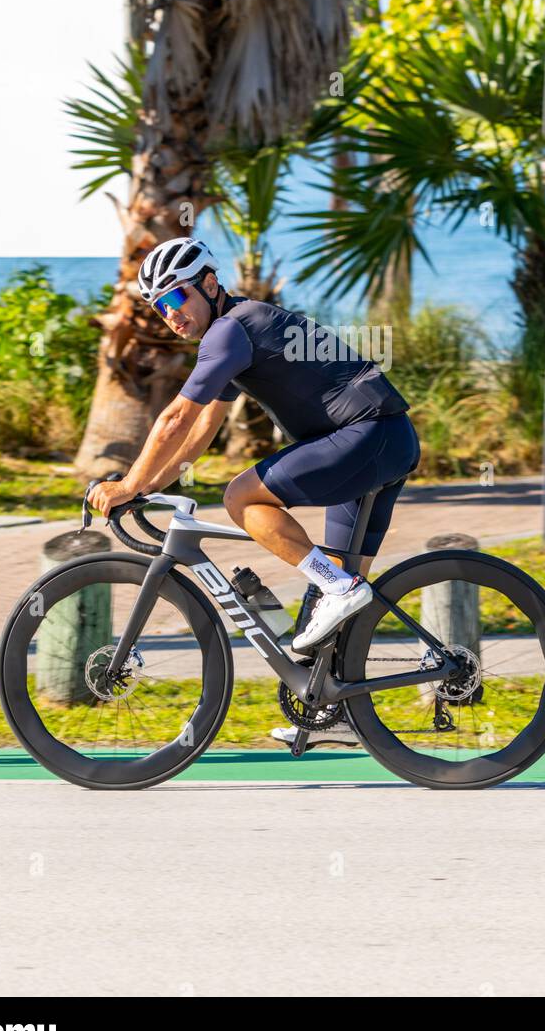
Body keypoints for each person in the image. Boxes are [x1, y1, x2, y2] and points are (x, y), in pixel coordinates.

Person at [88, 236, 420, 744]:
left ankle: (342, 588)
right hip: (384, 440)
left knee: (242, 498)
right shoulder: (236, 329)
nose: (170, 315)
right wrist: (148, 486)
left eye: (177, 298)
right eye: (159, 308)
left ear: (209, 283)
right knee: (328, 605)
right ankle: (342, 712)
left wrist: (127, 483)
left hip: (367, 435)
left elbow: (176, 416)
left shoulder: (229, 331)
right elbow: (200, 431)